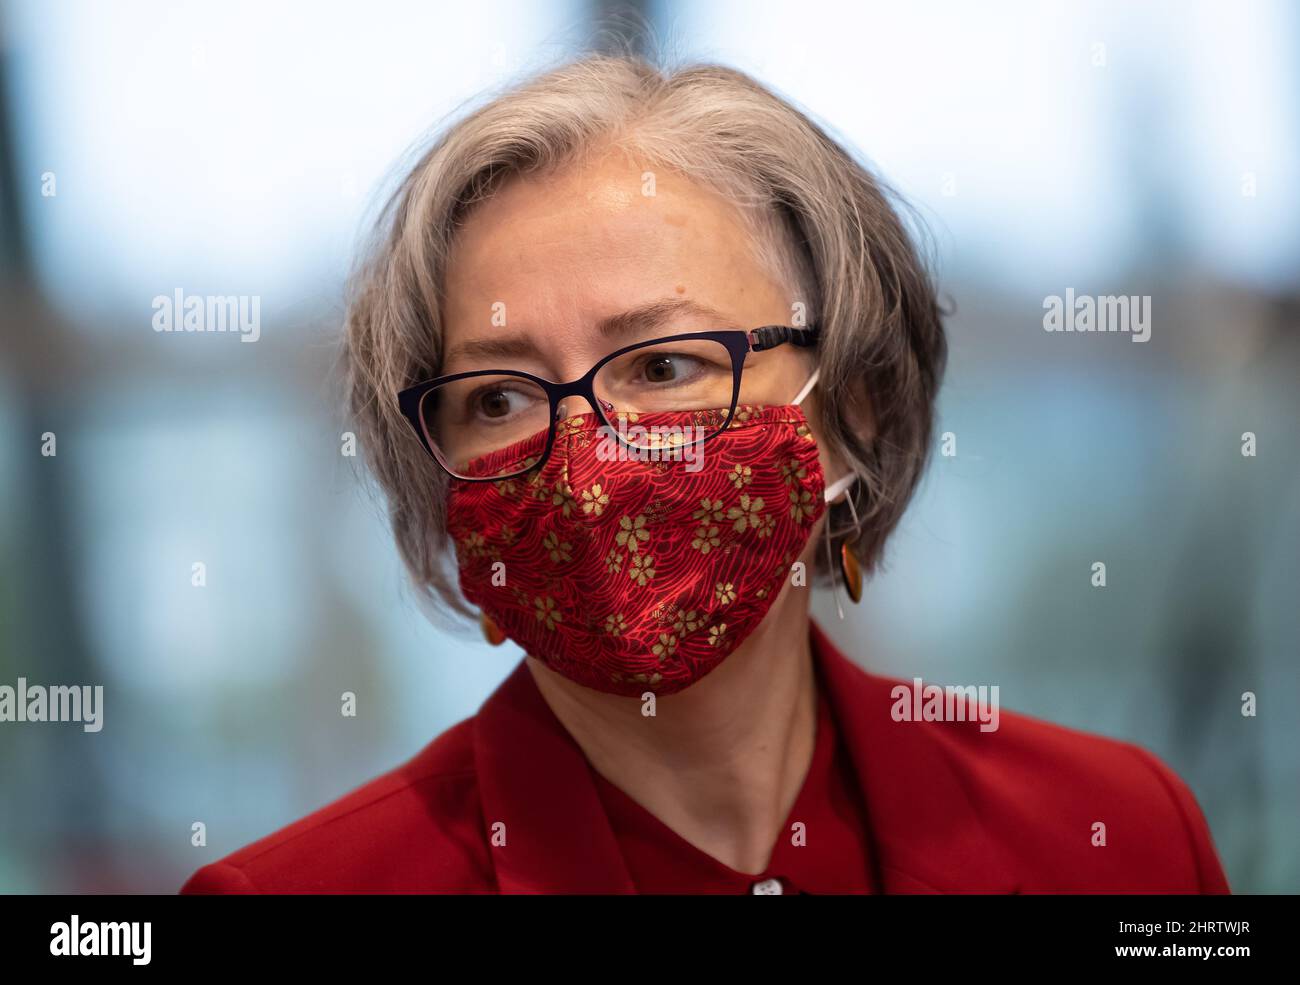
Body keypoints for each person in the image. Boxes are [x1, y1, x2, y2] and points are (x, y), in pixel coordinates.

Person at [180, 52, 1229, 894]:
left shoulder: (1117, 837)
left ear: (847, 406)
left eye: (663, 364)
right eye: (498, 396)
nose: (584, 460)